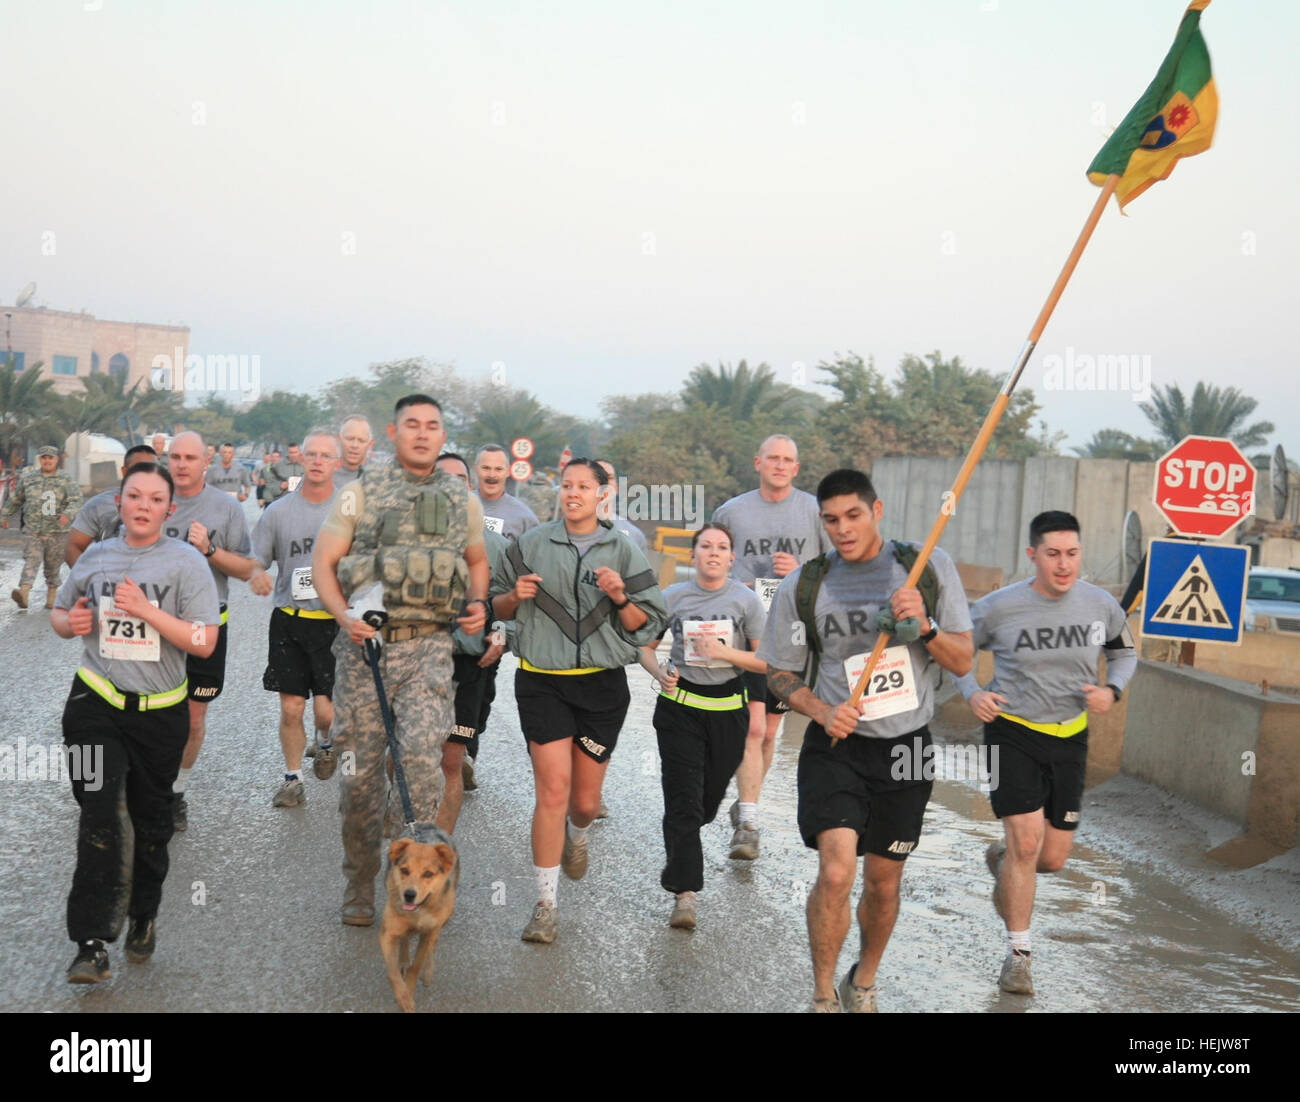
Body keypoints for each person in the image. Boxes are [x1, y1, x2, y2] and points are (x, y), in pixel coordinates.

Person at [758, 468, 973, 1012]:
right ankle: (822, 993)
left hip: (905, 748)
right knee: (835, 870)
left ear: (876, 511)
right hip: (837, 748)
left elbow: (965, 659)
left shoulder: (926, 569)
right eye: (831, 519)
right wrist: (821, 711)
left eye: (853, 515)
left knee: (882, 882)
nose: (843, 529)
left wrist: (924, 627)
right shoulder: (804, 584)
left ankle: (864, 979)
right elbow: (779, 675)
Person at [312, 394, 490, 927]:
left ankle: (407, 873)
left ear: (442, 436)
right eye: (411, 425)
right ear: (393, 433)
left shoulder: (463, 500)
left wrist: (477, 604)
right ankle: (358, 880)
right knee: (360, 780)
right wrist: (343, 616)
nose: (421, 434)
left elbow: (477, 562)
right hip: (365, 653)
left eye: (432, 426)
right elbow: (325, 563)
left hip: (430, 648)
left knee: (419, 764)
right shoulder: (360, 494)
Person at [51, 461, 221, 983]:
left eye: (154, 499)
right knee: (99, 814)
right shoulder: (97, 557)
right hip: (94, 701)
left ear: (169, 509)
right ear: (118, 503)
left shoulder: (186, 564)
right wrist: (71, 623)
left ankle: (143, 913)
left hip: (160, 712)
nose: (143, 506)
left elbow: (204, 642)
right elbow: (61, 615)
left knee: (151, 825)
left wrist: (148, 612)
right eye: (134, 496)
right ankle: (91, 942)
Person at [955, 511, 1137, 997]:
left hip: (1070, 736)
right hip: (1011, 731)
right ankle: (1019, 956)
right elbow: (956, 651)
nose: (1064, 564)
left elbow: (1124, 653)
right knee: (1028, 843)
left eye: (1072, 554)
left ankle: (1003, 860)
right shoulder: (998, 607)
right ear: (1033, 555)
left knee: (1052, 858)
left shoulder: (1101, 606)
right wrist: (972, 690)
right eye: (1053, 554)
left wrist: (1112, 690)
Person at [492, 458, 667, 944]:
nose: (573, 493)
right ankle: (544, 904)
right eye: (566, 485)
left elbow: (650, 625)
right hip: (541, 681)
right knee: (551, 791)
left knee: (584, 802)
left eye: (583, 486)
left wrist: (620, 598)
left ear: (602, 495)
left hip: (601, 688)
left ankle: (580, 832)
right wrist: (514, 598)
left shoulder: (625, 550)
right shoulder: (529, 544)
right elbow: (493, 602)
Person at [638, 522, 765, 930]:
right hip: (679, 709)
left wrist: (726, 653)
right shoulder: (672, 597)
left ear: (732, 558)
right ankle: (685, 895)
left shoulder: (747, 602)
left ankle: (689, 842)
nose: (713, 552)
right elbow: (642, 646)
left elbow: (766, 662)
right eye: (705, 546)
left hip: (728, 711)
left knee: (704, 805)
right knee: (683, 804)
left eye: (722, 547)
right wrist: (659, 672)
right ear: (693, 556)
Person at [711, 434, 832, 861]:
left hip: (794, 637)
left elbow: (838, 569)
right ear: (757, 462)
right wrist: (732, 585)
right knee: (755, 727)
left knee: (770, 732)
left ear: (796, 468)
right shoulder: (733, 511)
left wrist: (802, 571)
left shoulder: (816, 512)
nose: (780, 466)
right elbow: (711, 559)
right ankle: (749, 824)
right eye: (773, 459)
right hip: (747, 632)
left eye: (788, 460)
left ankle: (748, 803)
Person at [242, 430, 342, 808]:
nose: (317, 461)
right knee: (291, 707)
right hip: (289, 619)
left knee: (325, 710)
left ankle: (326, 741)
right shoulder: (278, 511)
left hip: (332, 623)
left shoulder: (349, 512)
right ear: (302, 459)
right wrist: (257, 574)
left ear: (336, 463)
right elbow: (257, 559)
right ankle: (292, 779)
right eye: (311, 454)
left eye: (325, 456)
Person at [163, 432, 257, 831]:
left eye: (190, 458)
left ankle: (175, 793)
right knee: (148, 712)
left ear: (207, 462)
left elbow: (249, 568)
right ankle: (143, 786)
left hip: (206, 624)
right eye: (175, 457)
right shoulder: (151, 500)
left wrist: (210, 551)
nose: (182, 464)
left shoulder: (224, 508)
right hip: (154, 625)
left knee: (193, 719)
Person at [433, 452, 509, 832]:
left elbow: (512, 605)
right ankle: (401, 811)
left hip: (469, 662)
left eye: (459, 480)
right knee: (405, 758)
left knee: (451, 760)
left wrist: (503, 634)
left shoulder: (495, 546)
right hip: (414, 662)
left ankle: (437, 849)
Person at [2, 445, 83, 610]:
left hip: (57, 532)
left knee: (53, 565)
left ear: (56, 460)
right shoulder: (29, 478)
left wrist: (68, 514)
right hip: (33, 529)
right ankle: (23, 593)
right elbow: (16, 499)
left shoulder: (66, 480)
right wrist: (5, 516)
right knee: (31, 560)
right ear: (40, 459)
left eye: (50, 458)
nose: (47, 461)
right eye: (44, 457)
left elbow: (76, 500)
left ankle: (52, 596)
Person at [65, 445, 158, 566]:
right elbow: (73, 546)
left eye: (151, 469)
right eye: (139, 469)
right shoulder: (99, 505)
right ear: (124, 471)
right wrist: (90, 579)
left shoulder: (170, 506)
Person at [475, 444, 539, 540]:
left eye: (498, 469)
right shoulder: (459, 505)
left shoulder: (525, 518)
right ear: (476, 469)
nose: (492, 475)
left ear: (508, 472)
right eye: (486, 468)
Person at [595, 459, 649, 552]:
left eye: (609, 477)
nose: (604, 482)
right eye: (598, 477)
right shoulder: (567, 531)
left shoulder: (634, 536)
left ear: (616, 488)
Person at [334, 415, 374, 490]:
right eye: (349, 439)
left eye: (361, 441)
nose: (355, 445)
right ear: (338, 439)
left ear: (370, 444)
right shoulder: (325, 474)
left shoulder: (382, 475)